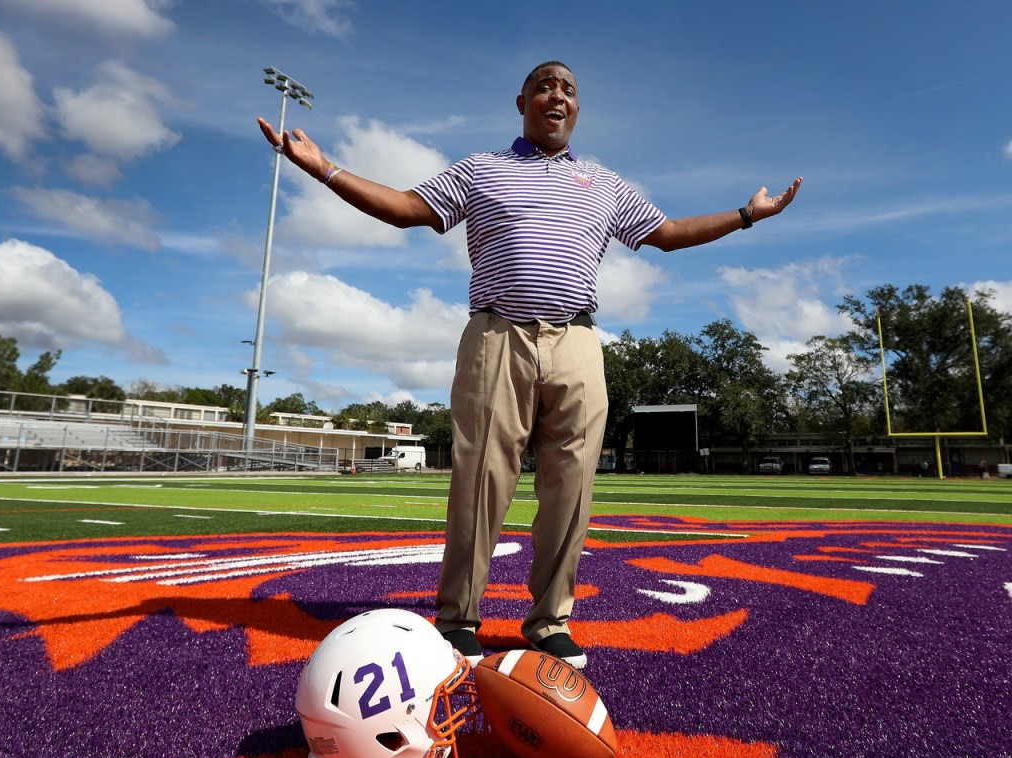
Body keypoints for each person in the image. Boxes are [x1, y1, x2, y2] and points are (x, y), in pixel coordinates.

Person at [258, 61, 801, 669]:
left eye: (569, 89)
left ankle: (549, 621)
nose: (557, 95)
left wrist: (747, 215)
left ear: (577, 109)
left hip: (577, 342)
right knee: (481, 481)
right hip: (498, 336)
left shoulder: (603, 183)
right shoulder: (481, 168)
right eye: (545, 85)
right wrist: (325, 169)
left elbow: (668, 233)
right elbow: (408, 208)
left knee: (573, 486)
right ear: (522, 102)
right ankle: (458, 619)